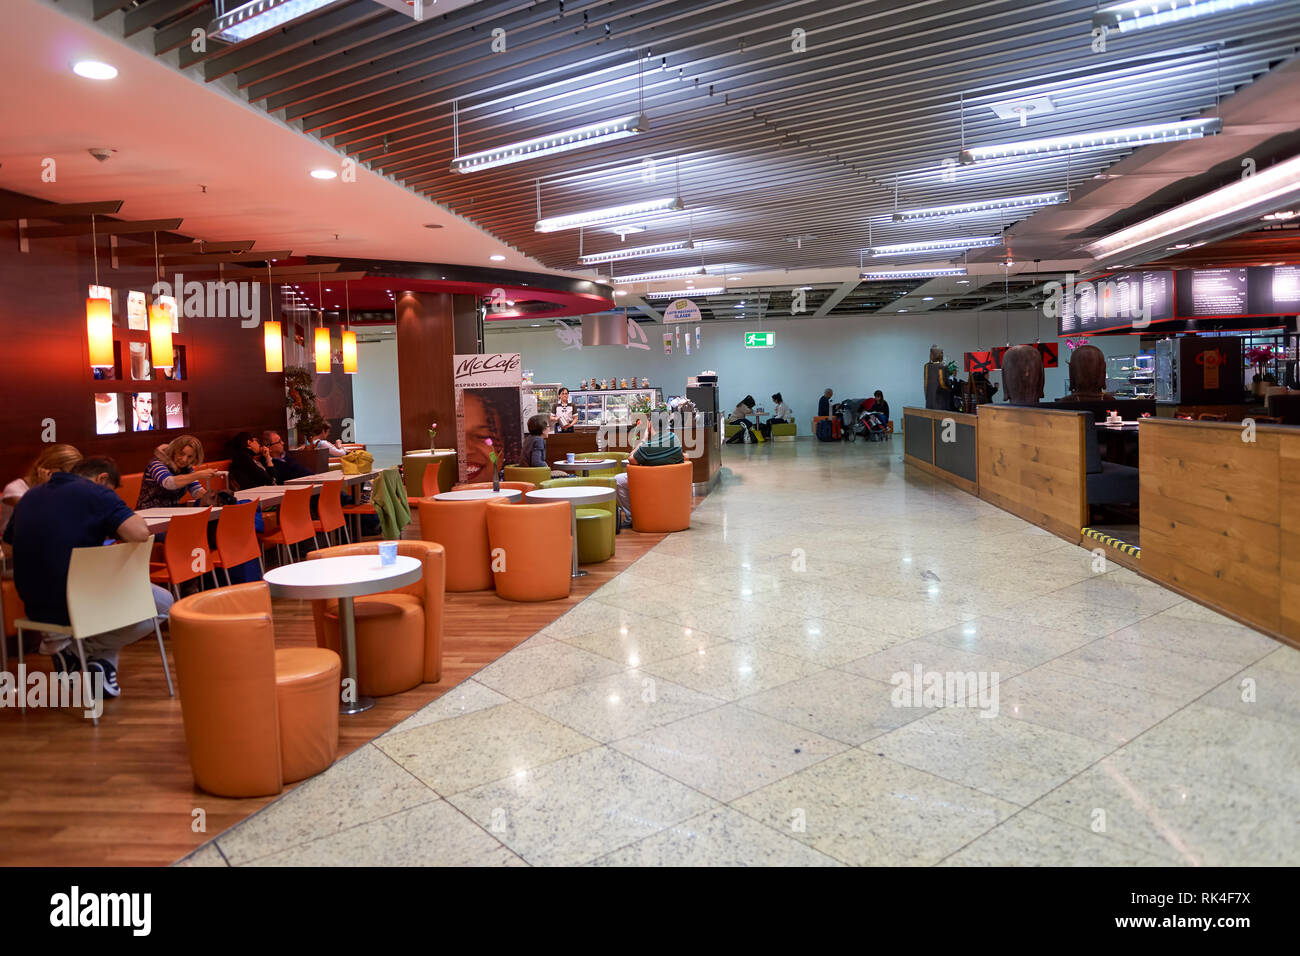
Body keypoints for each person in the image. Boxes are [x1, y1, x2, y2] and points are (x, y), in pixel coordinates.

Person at [9, 457, 174, 697]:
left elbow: (8, 546)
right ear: (102, 479)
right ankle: (88, 653)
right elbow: (138, 533)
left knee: (114, 602)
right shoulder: (97, 494)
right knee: (162, 602)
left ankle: (97, 668)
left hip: (34, 604)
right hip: (79, 603)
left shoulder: (30, 496)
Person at [614, 417, 684, 527]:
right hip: (672, 484)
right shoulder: (674, 438)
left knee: (618, 480)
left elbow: (631, 458)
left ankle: (632, 517)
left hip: (651, 484)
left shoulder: (647, 447)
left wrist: (644, 439)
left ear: (650, 425)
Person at [2, 444, 82, 540]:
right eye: (68, 472)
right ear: (49, 468)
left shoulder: (67, 489)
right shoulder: (14, 489)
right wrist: (45, 488)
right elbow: (37, 517)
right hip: (17, 545)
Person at [137, 435, 220, 510]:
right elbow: (168, 483)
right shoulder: (157, 464)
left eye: (190, 457)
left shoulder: (186, 469)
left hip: (172, 512)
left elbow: (196, 491)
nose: (184, 459)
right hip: (148, 513)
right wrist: (198, 475)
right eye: (181, 454)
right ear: (174, 451)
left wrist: (215, 499)